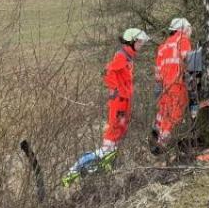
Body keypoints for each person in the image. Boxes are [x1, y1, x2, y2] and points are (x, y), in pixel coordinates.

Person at [63, 28, 150, 186]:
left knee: (114, 142)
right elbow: (108, 72)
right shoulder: (121, 56)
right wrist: (117, 92)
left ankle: (99, 171)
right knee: (110, 142)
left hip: (123, 103)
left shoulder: (128, 58)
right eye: (139, 42)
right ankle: (76, 169)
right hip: (119, 104)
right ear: (131, 41)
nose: (141, 45)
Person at [154, 18, 192, 148]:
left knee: (165, 114)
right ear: (182, 29)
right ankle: (166, 145)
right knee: (175, 115)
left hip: (165, 86)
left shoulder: (162, 47)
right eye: (188, 29)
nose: (189, 32)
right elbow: (188, 61)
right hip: (178, 84)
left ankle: (159, 142)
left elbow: (157, 74)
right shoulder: (183, 40)